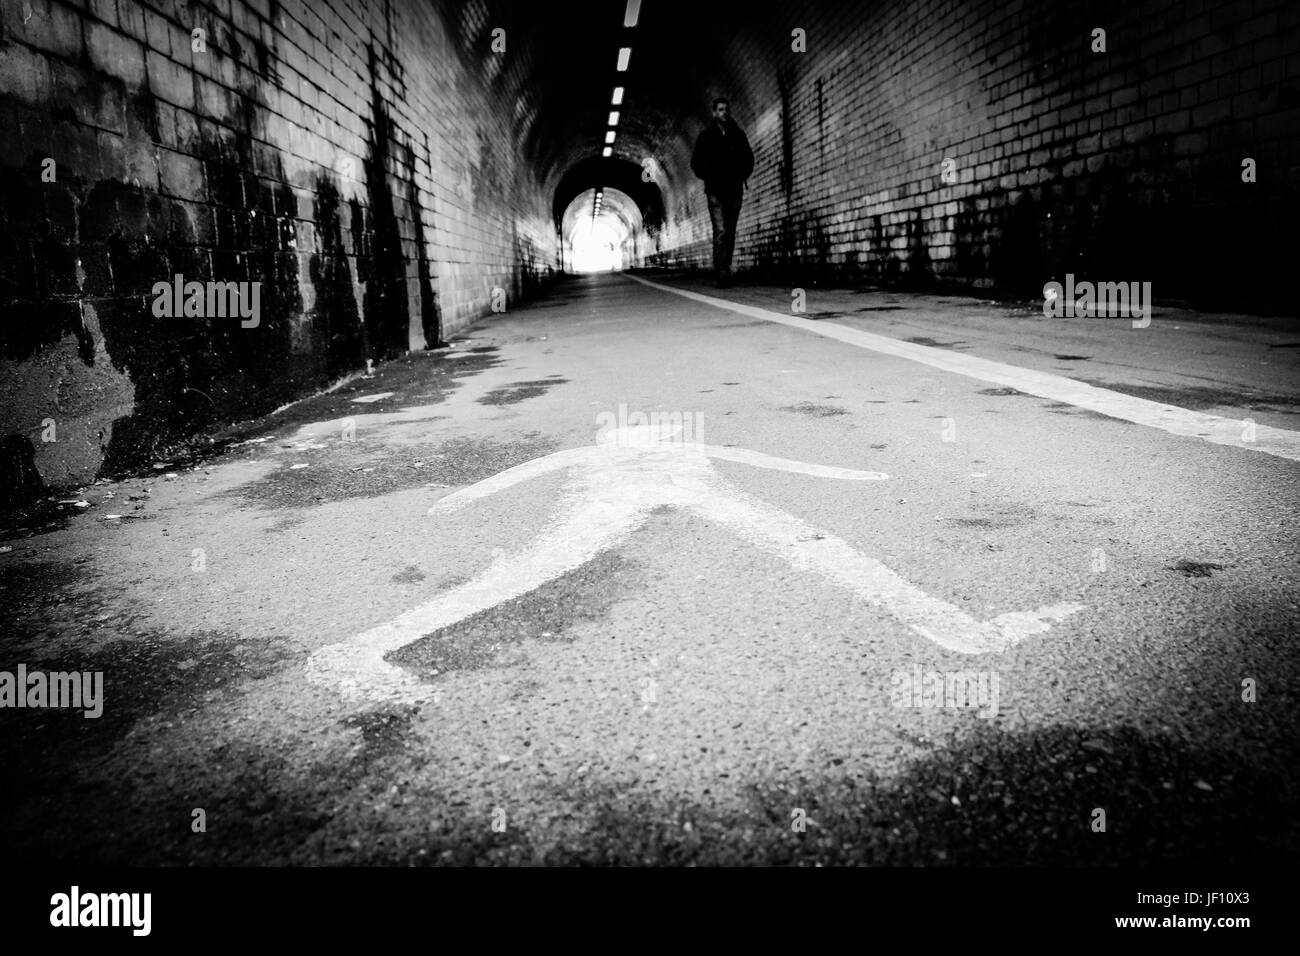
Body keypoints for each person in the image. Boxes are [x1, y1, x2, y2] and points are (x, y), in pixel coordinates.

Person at [690, 98, 753, 287]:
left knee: (730, 232)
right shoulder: (706, 137)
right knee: (721, 230)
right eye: (720, 109)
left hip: (734, 189)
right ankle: (722, 272)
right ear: (714, 113)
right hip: (715, 191)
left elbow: (748, 158)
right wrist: (710, 176)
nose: (724, 112)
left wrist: (742, 174)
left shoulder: (738, 135)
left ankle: (726, 265)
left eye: (726, 109)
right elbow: (696, 163)